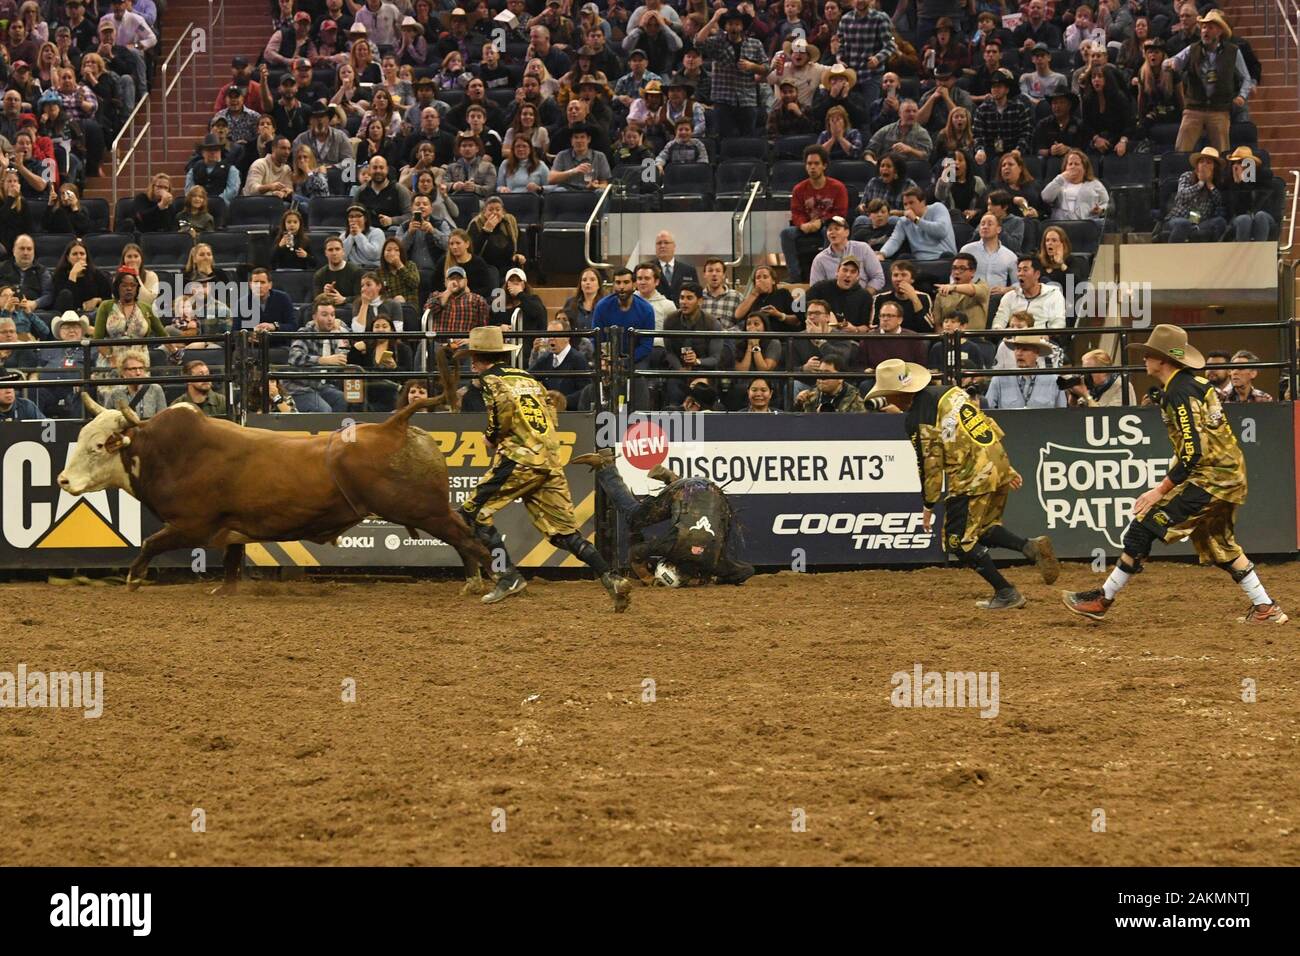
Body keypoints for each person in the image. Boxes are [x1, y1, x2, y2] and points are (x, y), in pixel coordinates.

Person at [1065, 325, 1286, 624]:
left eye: (1149, 354)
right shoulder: (1193, 384)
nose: (1144, 358)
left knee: (1143, 526)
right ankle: (1265, 607)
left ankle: (1103, 599)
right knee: (1218, 542)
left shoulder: (1179, 392)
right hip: (1228, 476)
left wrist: (1160, 490)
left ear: (1162, 359)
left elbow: (1193, 451)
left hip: (1211, 478)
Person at [456, 325, 631, 609]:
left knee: (472, 513)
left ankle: (507, 575)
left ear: (477, 357)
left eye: (472, 358)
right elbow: (551, 411)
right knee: (564, 533)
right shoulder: (527, 377)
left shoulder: (490, 380)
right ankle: (611, 578)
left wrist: (491, 437)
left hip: (520, 457)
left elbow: (501, 414)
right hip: (549, 458)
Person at [867, 357, 1059, 610]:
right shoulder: (950, 392)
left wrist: (928, 504)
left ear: (896, 393)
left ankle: (1006, 592)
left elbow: (930, 465)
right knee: (983, 528)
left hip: (971, 476)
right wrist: (1005, 467)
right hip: (995, 461)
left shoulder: (918, 420)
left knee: (957, 541)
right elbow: (982, 425)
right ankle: (1029, 547)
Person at [1164, 10, 1252, 154]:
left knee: (1222, 152)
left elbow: (1246, 78)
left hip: (1219, 109)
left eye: (1210, 27)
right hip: (1194, 108)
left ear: (1219, 32)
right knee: (1181, 151)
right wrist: (1169, 63)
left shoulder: (1233, 51)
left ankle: (1220, 175)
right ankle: (1180, 175)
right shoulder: (1192, 49)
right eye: (1204, 27)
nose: (1205, 31)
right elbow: (1171, 62)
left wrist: (1242, 96)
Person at [781, 145, 849, 285]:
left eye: (816, 163)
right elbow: (796, 212)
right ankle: (795, 278)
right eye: (809, 164)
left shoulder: (838, 187)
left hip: (828, 226)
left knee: (828, 232)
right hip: (807, 226)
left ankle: (826, 274)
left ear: (824, 166)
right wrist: (802, 224)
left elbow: (840, 213)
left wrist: (823, 222)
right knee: (786, 233)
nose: (812, 167)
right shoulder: (799, 189)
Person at [694, 6, 767, 137]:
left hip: (747, 99)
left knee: (748, 138)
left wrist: (752, 67)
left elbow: (766, 69)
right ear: (725, 26)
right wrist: (713, 20)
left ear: (743, 26)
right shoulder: (717, 42)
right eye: (730, 24)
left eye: (737, 24)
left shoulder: (755, 44)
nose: (734, 27)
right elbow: (698, 42)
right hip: (723, 99)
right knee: (724, 138)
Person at [287, 298, 351, 412]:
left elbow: (345, 352)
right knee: (324, 410)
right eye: (324, 315)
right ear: (315, 317)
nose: (330, 319)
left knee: (343, 400)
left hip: (321, 386)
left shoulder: (335, 334)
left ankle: (336, 430)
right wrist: (323, 360)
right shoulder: (304, 333)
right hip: (301, 387)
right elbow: (295, 357)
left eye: (332, 315)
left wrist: (341, 332)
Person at [1160, 146, 1228, 243]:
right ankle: (1173, 254)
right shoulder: (1187, 176)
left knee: (1220, 222)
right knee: (1184, 223)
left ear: (1214, 167)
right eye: (1201, 162)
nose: (1204, 165)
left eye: (1208, 162)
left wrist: (1209, 184)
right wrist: (1200, 183)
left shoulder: (1217, 183)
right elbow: (1182, 196)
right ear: (1196, 166)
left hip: (1199, 223)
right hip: (1178, 219)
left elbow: (1219, 202)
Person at [983, 334, 1067, 409]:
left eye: (1025, 349)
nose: (1019, 353)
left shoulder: (1054, 381)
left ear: (1036, 353)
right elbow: (987, 411)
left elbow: (1062, 414)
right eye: (1017, 348)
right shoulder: (999, 379)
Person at [879, 186, 957, 261]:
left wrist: (916, 220)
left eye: (911, 203)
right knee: (903, 258)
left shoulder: (937, 208)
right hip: (919, 262)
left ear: (922, 202)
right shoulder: (903, 221)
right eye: (905, 204)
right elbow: (895, 240)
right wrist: (882, 253)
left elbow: (941, 231)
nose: (908, 207)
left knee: (947, 256)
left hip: (943, 259)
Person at [528, 314, 590, 405]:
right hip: (549, 411)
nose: (551, 339)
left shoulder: (578, 359)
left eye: (556, 335)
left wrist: (562, 402)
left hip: (571, 414)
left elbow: (586, 391)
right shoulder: (546, 358)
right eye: (549, 335)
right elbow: (529, 376)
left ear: (567, 337)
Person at [992, 256, 1067, 329]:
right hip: (1012, 338)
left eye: (1025, 270)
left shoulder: (1053, 295)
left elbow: (1058, 324)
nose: (1020, 274)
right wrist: (999, 329)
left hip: (1040, 338)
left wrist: (1047, 335)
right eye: (1019, 270)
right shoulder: (1010, 296)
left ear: (1037, 274)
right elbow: (999, 321)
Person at [1041, 149, 1109, 223]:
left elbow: (1108, 203)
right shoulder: (1058, 182)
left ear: (1084, 168)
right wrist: (1060, 179)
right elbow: (1046, 197)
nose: (1073, 167)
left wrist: (1101, 209)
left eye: (1076, 164)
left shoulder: (1095, 184)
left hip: (1088, 224)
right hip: (1060, 224)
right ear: (1065, 167)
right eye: (1070, 164)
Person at [1226, 146, 1277, 242]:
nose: (1237, 166)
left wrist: (1245, 182)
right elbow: (1236, 210)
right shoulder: (1229, 182)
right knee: (1244, 219)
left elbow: (1260, 204)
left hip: (1264, 215)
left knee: (1260, 216)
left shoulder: (1264, 177)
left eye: (1241, 162)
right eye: (1235, 163)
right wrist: (1239, 184)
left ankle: (1259, 253)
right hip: (1239, 219)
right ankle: (1243, 255)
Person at [929, 253, 990, 331]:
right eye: (954, 268)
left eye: (962, 268)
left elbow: (972, 289)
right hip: (948, 339)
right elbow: (938, 324)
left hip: (974, 339)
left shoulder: (983, 287)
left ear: (972, 272)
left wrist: (952, 287)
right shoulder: (943, 292)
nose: (956, 272)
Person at [102, 347, 166, 419]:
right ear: (123, 372)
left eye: (141, 368)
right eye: (133, 369)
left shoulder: (155, 389)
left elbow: (163, 420)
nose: (138, 373)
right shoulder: (116, 394)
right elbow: (107, 420)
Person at [960, 213, 1018, 291]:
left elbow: (1018, 283)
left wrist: (1006, 289)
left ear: (999, 229)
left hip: (997, 298)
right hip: (971, 296)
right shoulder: (967, 250)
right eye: (982, 224)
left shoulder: (1010, 256)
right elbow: (955, 275)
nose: (985, 227)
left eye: (990, 224)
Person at [1064, 348, 1136, 407]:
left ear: (1103, 371)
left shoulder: (1121, 386)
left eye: (1089, 371)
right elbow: (1074, 414)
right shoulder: (1090, 387)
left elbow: (1108, 417)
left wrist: (1086, 396)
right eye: (1084, 371)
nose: (1085, 376)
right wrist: (1074, 394)